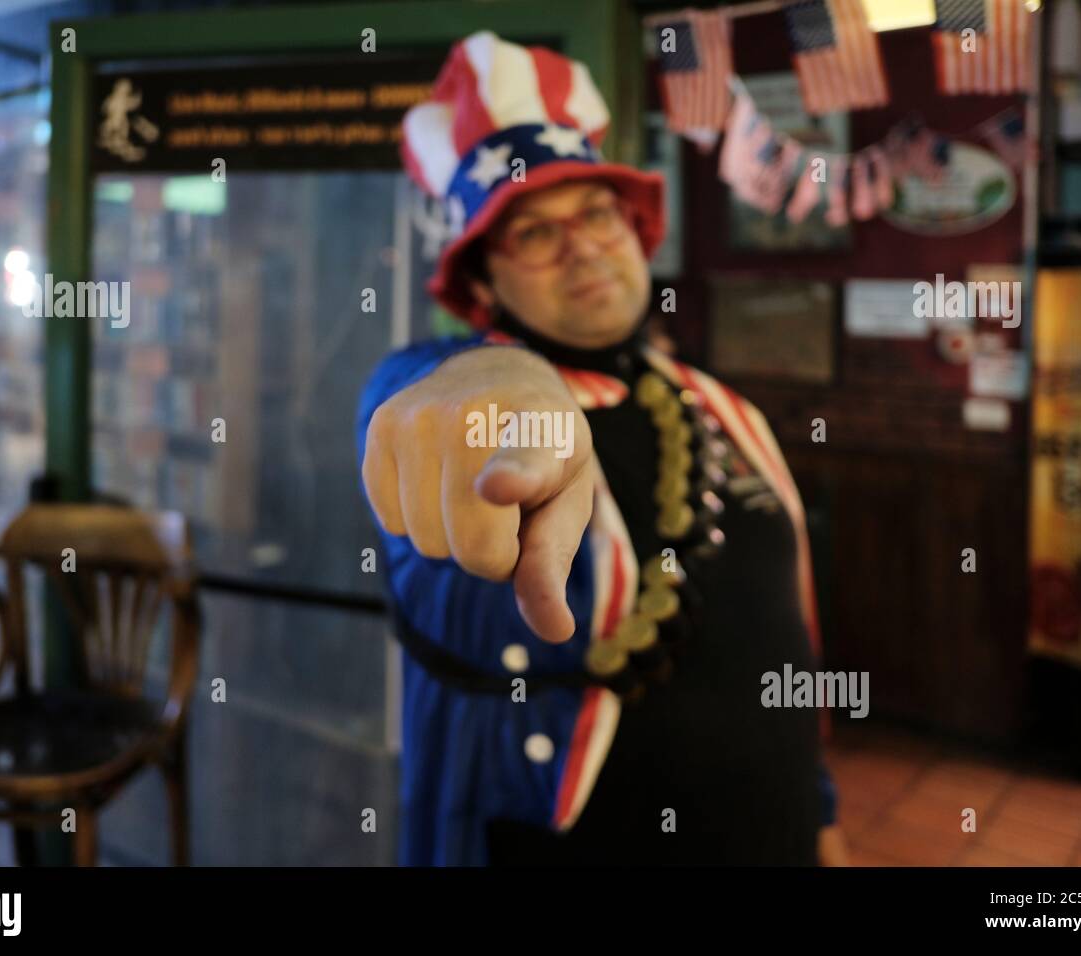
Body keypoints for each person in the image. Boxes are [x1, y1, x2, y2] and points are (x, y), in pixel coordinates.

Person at [357, 31, 848, 866]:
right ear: (483, 284)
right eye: (534, 233)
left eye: (595, 213)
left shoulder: (727, 411)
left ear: (634, 231)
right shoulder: (461, 391)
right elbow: (442, 395)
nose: (582, 244)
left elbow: (790, 633)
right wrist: (499, 378)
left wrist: (824, 817)